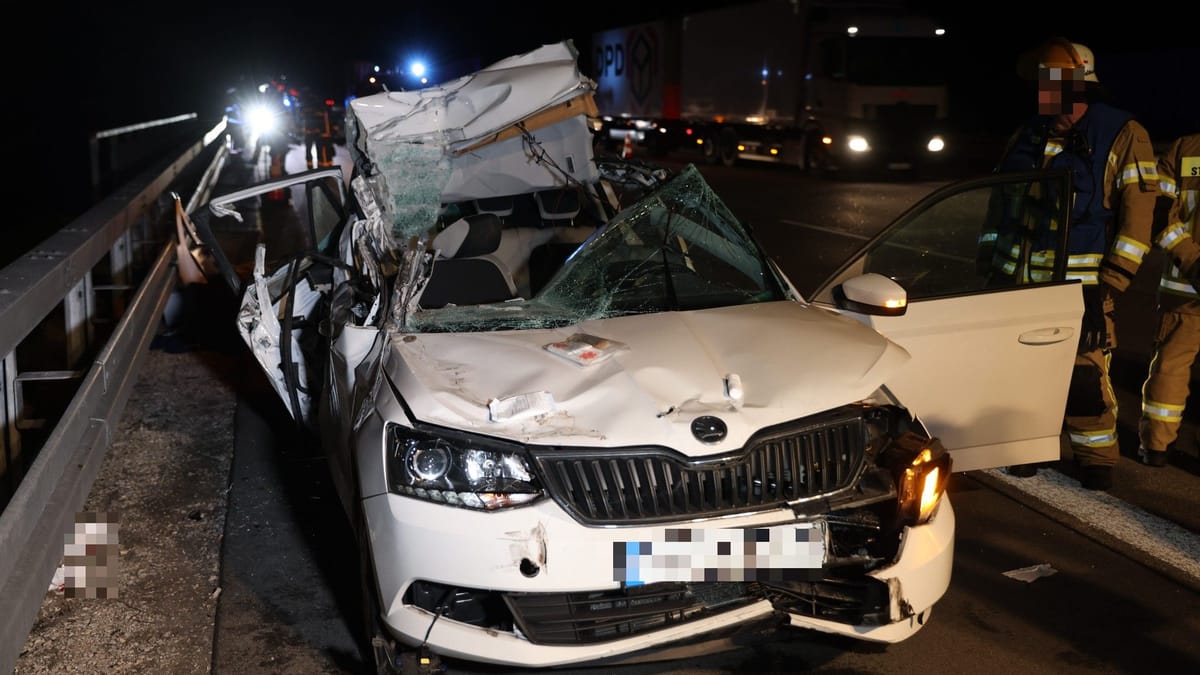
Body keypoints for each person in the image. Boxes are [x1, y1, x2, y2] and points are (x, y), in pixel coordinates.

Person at [991, 38, 1158, 490]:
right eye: (1042, 83)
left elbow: (1137, 220)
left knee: (1084, 378)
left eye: (1055, 82)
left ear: (1081, 85)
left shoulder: (1123, 134)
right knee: (1020, 374)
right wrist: (986, 266)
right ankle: (1026, 446)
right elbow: (999, 205)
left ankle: (1095, 458)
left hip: (1081, 288)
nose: (1044, 92)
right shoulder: (1028, 132)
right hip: (1018, 283)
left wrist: (1107, 286)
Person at [1138, 133, 1200, 466]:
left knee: (1171, 368)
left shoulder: (1184, 149)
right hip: (1186, 288)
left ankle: (1156, 447)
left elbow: (1158, 212)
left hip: (1184, 287)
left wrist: (1190, 259)